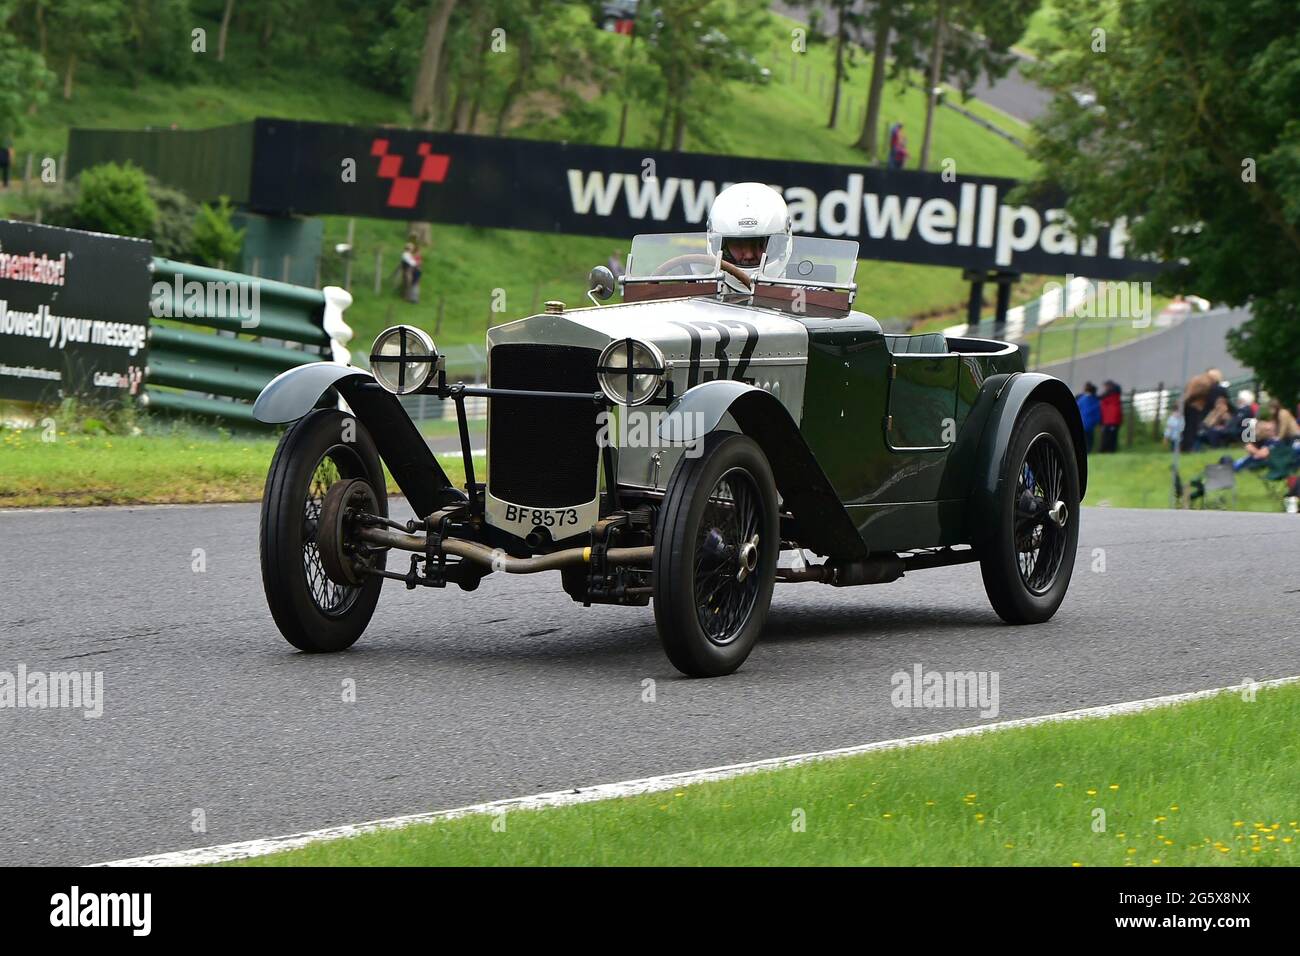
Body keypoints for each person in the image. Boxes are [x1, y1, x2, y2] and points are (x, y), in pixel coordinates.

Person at [705, 182, 793, 291]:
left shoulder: (802, 297)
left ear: (781, 244)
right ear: (721, 246)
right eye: (738, 244)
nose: (749, 255)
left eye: (760, 244)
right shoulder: (697, 294)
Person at [1076, 382, 1101, 453]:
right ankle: (1088, 451)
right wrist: (1097, 422)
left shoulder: (1081, 399)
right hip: (1090, 424)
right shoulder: (1095, 400)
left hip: (1081, 422)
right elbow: (1097, 413)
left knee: (1082, 440)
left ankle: (1082, 452)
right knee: (1089, 440)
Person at [1099, 380, 1123, 453]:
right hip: (1112, 421)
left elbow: (1111, 411)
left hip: (1110, 421)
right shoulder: (1115, 397)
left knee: (1107, 436)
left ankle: (1105, 450)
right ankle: (1110, 450)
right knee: (1111, 436)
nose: (1104, 388)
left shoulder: (1108, 398)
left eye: (1106, 387)